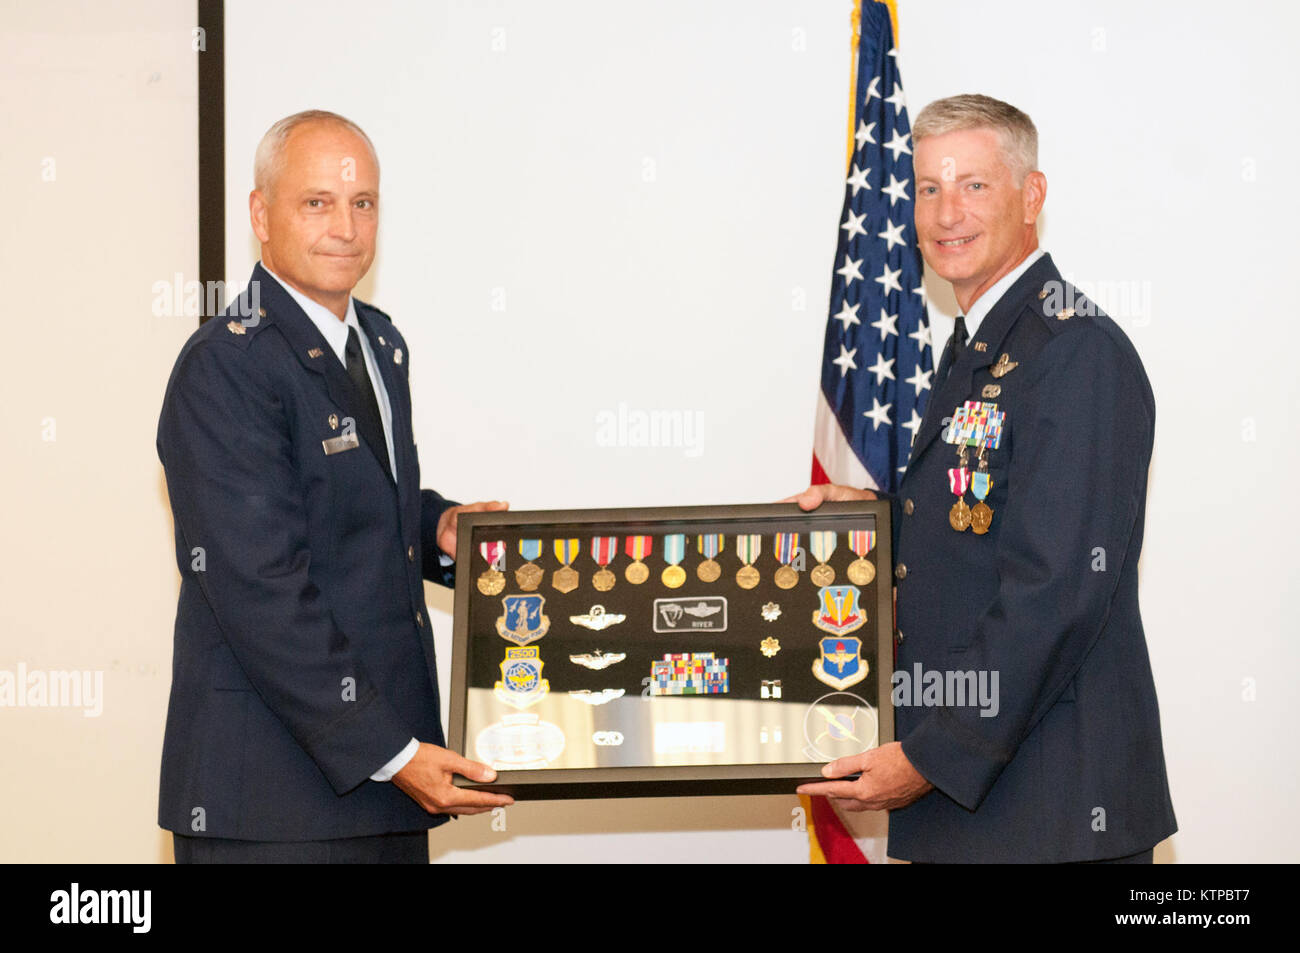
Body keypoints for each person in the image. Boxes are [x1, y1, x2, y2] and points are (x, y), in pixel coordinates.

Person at [795, 95, 1176, 862]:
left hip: (1052, 815)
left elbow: (1056, 590)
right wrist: (878, 519)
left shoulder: (1074, 350)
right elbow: (987, 518)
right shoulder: (984, 345)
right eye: (928, 188)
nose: (945, 213)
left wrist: (933, 753)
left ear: (1031, 196)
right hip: (986, 809)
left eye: (973, 185)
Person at [156, 110, 513, 863]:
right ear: (261, 213)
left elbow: (344, 500)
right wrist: (391, 749)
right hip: (276, 805)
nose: (345, 227)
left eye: (364, 203)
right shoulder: (227, 365)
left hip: (382, 791)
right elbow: (262, 586)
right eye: (316, 202)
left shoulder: (379, 342)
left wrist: (440, 527)